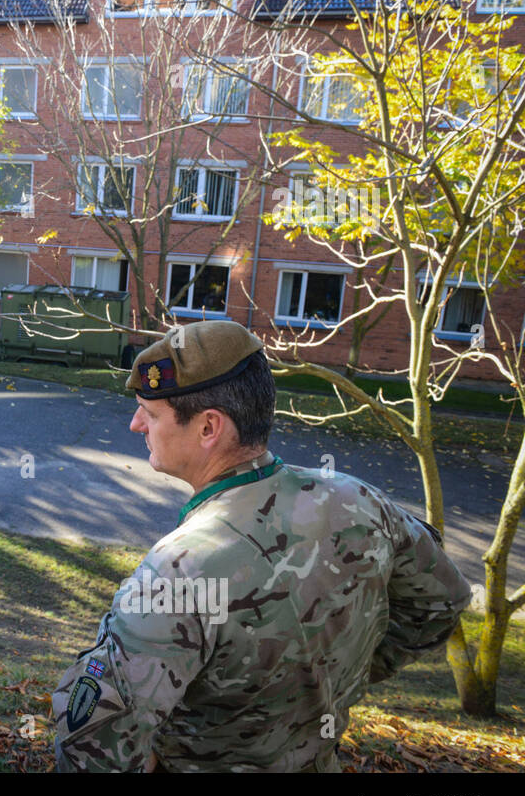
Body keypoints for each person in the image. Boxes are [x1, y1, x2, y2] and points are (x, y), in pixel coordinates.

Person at [53, 321, 471, 772]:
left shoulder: (179, 570)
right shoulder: (360, 501)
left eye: (150, 414)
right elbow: (441, 605)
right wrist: (342, 677)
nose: (136, 424)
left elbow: (90, 745)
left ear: (209, 427)